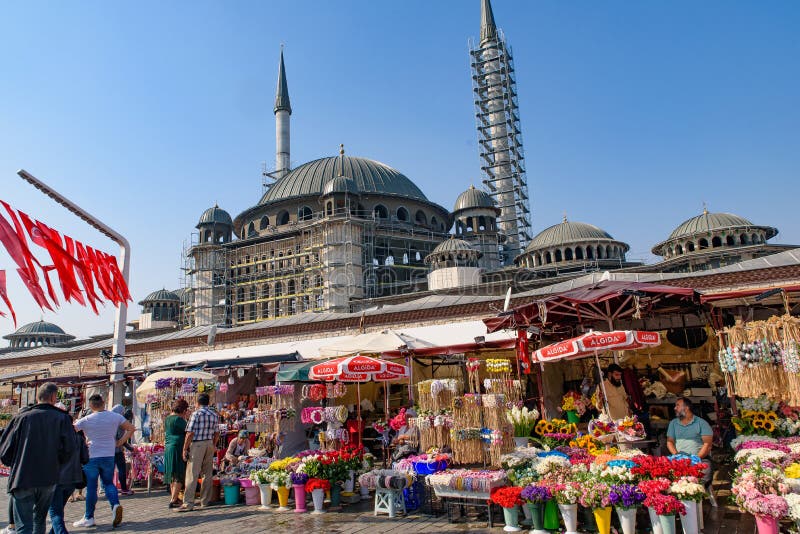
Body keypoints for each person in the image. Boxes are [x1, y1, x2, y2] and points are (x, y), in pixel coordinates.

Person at [0, 382, 76, 534]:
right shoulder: (62, 418)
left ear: (37, 397)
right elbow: (69, 449)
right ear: (54, 397)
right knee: (39, 521)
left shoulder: (21, 417)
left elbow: (4, 449)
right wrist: (55, 463)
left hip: (22, 476)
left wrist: (13, 463)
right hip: (48, 477)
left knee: (24, 525)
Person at [72, 394, 135, 528]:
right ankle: (115, 505)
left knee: (92, 487)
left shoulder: (86, 419)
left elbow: (72, 430)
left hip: (92, 455)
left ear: (90, 406)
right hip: (109, 454)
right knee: (108, 483)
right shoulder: (115, 416)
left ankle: (89, 517)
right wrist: (120, 442)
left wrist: (83, 442)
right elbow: (131, 428)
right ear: (104, 403)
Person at [49, 403, 89, 534]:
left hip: (56, 479)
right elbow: (85, 459)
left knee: (55, 513)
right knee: (58, 511)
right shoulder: (78, 437)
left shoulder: (53, 438)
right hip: (73, 479)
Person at [178, 393, 219, 512]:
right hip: (209, 443)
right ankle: (205, 500)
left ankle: (188, 502)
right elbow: (217, 432)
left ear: (198, 403)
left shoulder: (195, 414)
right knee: (207, 473)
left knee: (192, 473)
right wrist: (213, 444)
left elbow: (189, 433)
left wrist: (185, 448)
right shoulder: (214, 414)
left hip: (197, 444)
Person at [666, 397, 714, 485]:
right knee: (663, 472)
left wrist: (695, 459)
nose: (675, 408)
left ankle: (696, 493)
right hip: (678, 459)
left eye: (677, 405)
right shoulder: (673, 423)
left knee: (705, 471)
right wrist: (677, 456)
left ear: (686, 408)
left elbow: (707, 445)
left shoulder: (701, 423)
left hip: (700, 458)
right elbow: (670, 442)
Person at [163, 399, 189, 509]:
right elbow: (189, 429)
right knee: (178, 473)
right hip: (177, 447)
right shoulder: (179, 419)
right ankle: (173, 499)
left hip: (168, 447)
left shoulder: (167, 419)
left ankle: (174, 497)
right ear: (182, 410)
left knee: (172, 473)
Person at [110, 405, 134, 496]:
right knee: (122, 470)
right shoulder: (119, 423)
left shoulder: (110, 421)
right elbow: (121, 440)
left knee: (110, 471)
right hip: (117, 451)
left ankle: (108, 489)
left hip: (110, 450)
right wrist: (130, 448)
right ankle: (124, 489)